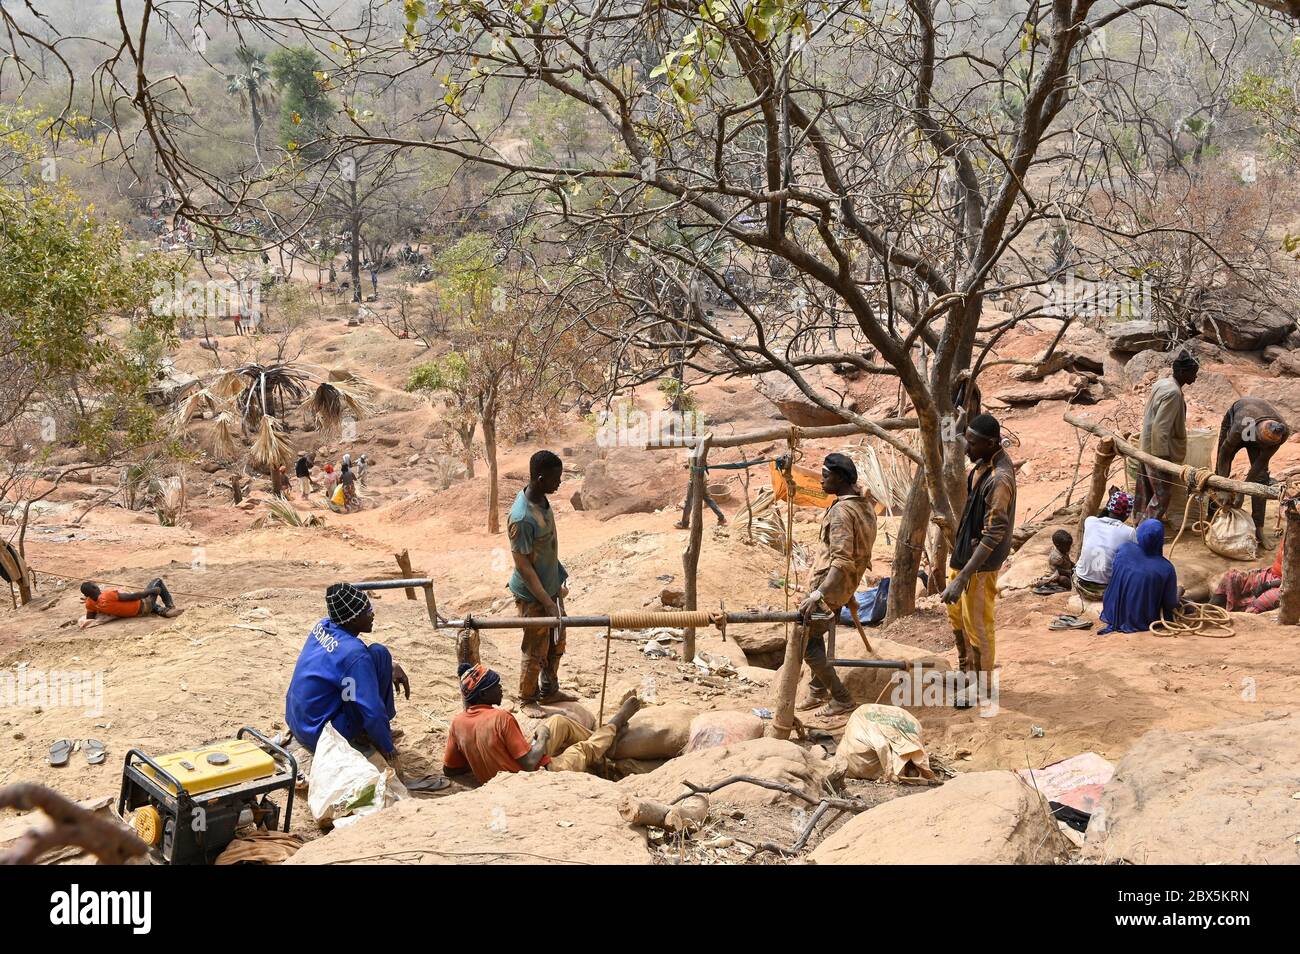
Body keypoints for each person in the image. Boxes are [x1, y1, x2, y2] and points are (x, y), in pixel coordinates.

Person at [442, 664, 643, 784]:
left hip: (514, 768)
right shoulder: (501, 718)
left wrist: (483, 759)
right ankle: (613, 726)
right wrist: (543, 737)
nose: (502, 689)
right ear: (484, 694)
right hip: (533, 777)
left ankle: (605, 741)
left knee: (558, 722)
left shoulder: (458, 723)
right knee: (582, 749)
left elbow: (450, 769)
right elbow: (529, 764)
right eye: (497, 686)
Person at [285, 583, 410, 760]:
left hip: (301, 721)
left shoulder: (324, 625)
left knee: (379, 654)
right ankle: (375, 734)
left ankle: (378, 729)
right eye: (367, 611)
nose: (372, 614)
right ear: (352, 619)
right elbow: (371, 709)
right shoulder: (354, 653)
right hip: (321, 735)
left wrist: (390, 666)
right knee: (367, 702)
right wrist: (387, 747)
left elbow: (345, 661)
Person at [794, 453, 878, 717]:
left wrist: (818, 594)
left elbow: (841, 560)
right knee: (818, 636)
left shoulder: (842, 512)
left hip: (829, 587)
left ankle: (841, 698)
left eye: (826, 476)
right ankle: (817, 691)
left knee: (807, 643)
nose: (821, 481)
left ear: (841, 478)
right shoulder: (864, 505)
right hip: (844, 587)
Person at [942, 413, 1017, 708]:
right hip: (964, 556)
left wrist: (963, 577)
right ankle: (966, 675)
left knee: (979, 627)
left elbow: (994, 532)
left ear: (990, 443)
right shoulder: (982, 466)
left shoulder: (1000, 479)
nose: (966, 448)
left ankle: (982, 688)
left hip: (980, 566)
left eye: (971, 443)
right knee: (958, 618)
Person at [507, 450, 577, 716]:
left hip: (550, 587)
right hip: (532, 595)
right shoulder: (522, 517)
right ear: (539, 478)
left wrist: (556, 585)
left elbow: (546, 549)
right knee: (535, 646)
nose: (559, 482)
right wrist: (546, 602)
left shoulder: (542, 501)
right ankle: (527, 698)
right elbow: (523, 566)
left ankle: (549, 689)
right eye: (555, 478)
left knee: (557, 640)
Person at [1214, 398, 1290, 545]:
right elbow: (1225, 454)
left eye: (1267, 445)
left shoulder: (1282, 432)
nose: (1264, 447)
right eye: (1262, 443)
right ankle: (1216, 516)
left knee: (1261, 480)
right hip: (1240, 422)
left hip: (1256, 433)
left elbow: (1260, 463)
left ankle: (1259, 529)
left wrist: (1242, 491)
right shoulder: (1242, 424)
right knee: (1220, 471)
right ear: (1256, 432)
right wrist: (1223, 486)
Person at [1135, 351, 1198, 522]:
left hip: (1146, 445)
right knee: (1162, 495)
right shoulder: (1173, 393)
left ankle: (1138, 523)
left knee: (1145, 489)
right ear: (1183, 372)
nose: (1196, 377)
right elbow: (1161, 427)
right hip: (1157, 450)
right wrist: (1162, 458)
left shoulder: (1163, 383)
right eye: (1194, 373)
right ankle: (1146, 531)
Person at [1099, 519, 1181, 634]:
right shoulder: (1166, 568)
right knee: (1183, 600)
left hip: (1111, 611)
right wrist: (1178, 594)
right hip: (1140, 619)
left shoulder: (1124, 548)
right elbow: (1170, 604)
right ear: (1160, 539)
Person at [1073, 489, 1137, 602]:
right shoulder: (1129, 532)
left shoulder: (1090, 521)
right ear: (1127, 514)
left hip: (1081, 584)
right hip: (1107, 590)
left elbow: (1101, 516)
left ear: (1108, 507)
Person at [1211, 539, 1285, 614]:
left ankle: (1241, 620)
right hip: (1272, 574)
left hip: (1288, 585)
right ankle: (1208, 609)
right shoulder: (1290, 533)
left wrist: (1269, 584)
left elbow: (1295, 581)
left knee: (1259, 604)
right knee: (1232, 577)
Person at [79, 579, 181, 627]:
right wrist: (153, 591)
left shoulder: (89, 603)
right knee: (157, 582)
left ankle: (161, 610)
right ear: (94, 588)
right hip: (143, 606)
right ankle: (170, 606)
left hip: (135, 613)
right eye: (95, 585)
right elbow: (132, 597)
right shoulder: (106, 595)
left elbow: (90, 617)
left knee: (150, 604)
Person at [1032, 530, 1074, 594]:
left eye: (1069, 546)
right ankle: (1049, 582)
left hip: (1066, 570)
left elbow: (1068, 561)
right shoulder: (1056, 557)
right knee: (1063, 580)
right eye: (1067, 546)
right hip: (1056, 574)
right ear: (1058, 545)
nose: (1069, 548)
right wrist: (1069, 572)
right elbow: (1058, 570)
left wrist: (1073, 565)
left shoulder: (1063, 550)